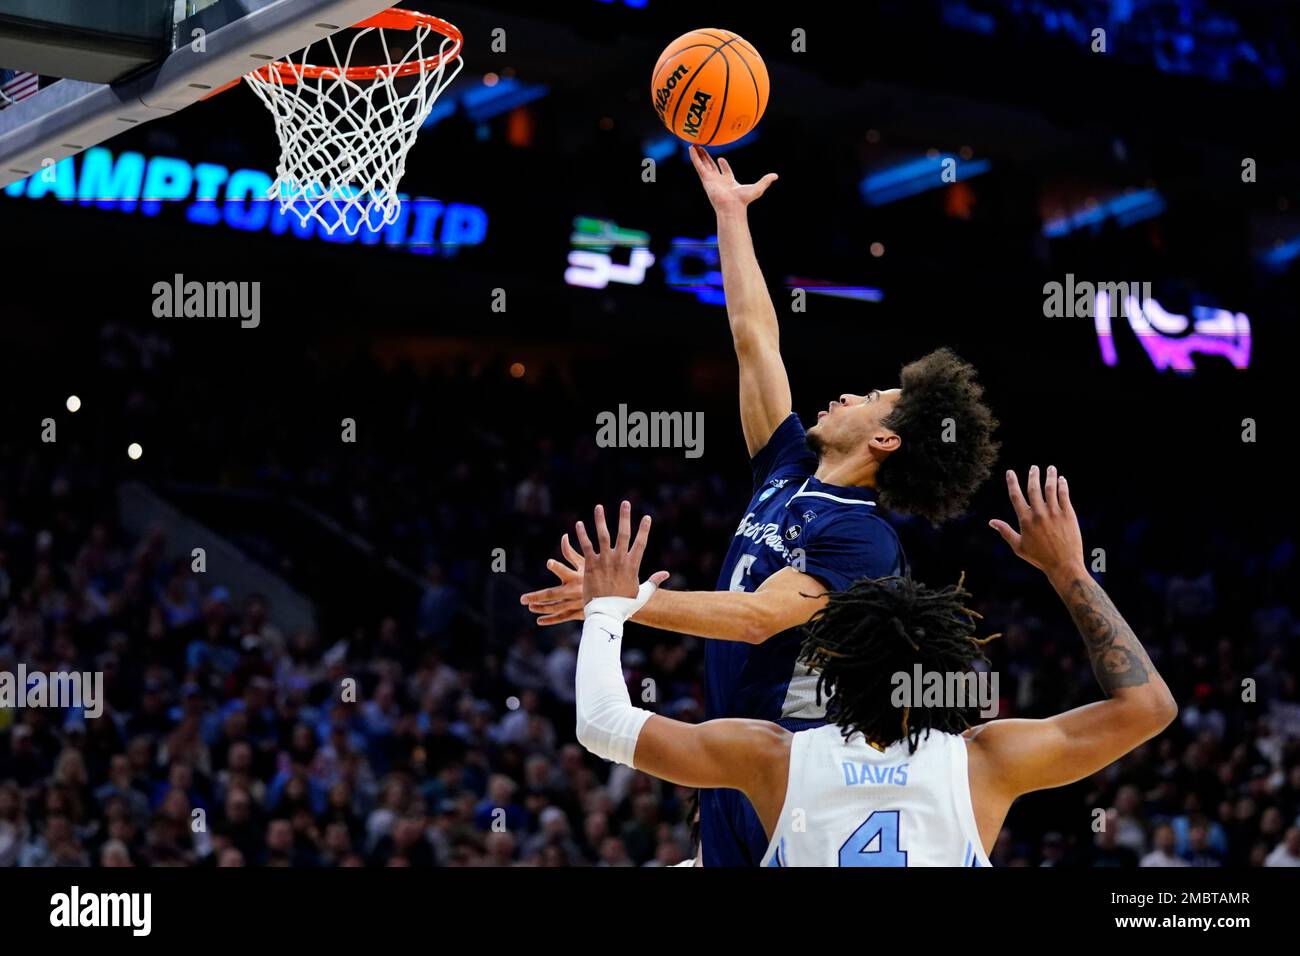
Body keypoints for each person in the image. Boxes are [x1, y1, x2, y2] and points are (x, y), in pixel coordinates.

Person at [523, 147, 999, 865]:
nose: (846, 394)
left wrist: (626, 603)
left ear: (882, 438)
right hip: (736, 753)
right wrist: (731, 217)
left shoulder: (862, 540)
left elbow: (756, 620)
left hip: (798, 768)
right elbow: (753, 337)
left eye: (870, 397)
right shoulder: (789, 467)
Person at [569, 466, 1177, 866]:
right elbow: (1148, 707)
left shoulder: (774, 758)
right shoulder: (987, 764)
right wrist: (1068, 567)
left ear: (828, 675)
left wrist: (607, 608)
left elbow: (600, 721)